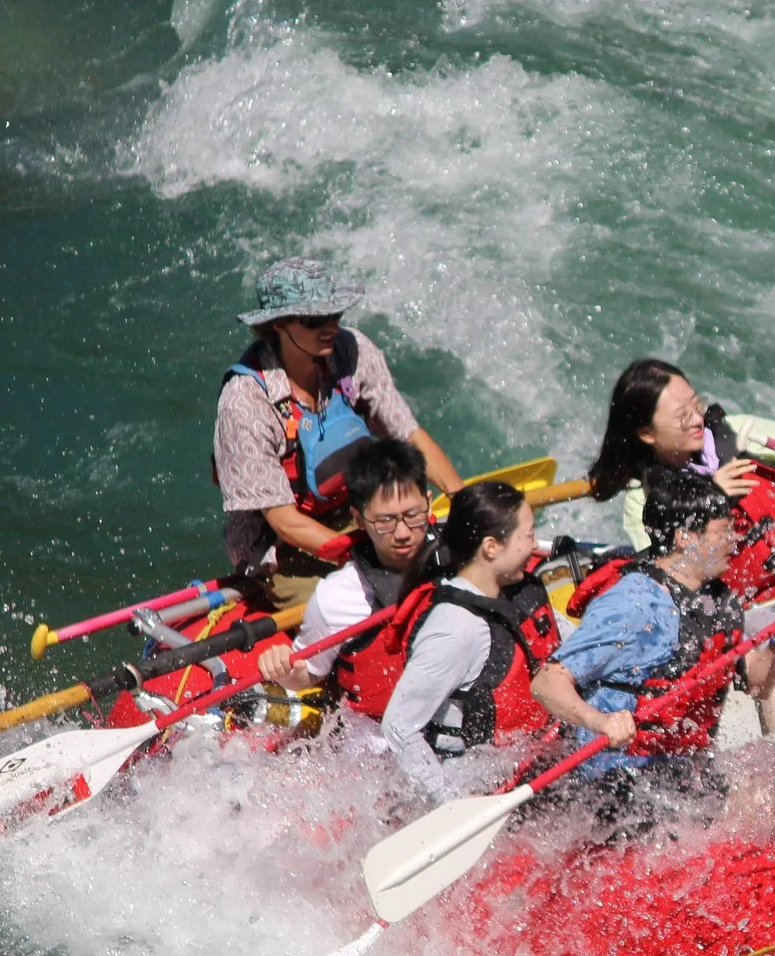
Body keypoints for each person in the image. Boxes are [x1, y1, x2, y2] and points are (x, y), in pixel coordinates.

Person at [257, 445, 560, 782]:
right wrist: (283, 670)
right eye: (385, 521)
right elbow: (309, 673)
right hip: (387, 751)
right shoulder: (338, 597)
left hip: (476, 735)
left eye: (412, 515)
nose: (402, 532)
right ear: (358, 519)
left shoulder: (471, 557)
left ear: (429, 503)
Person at [212, 256, 462, 606]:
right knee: (351, 607)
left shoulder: (351, 350)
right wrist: (366, 558)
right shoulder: (244, 402)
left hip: (359, 514)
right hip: (284, 547)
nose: (330, 326)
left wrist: (463, 499)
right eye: (315, 320)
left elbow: (406, 434)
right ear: (278, 326)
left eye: (335, 315)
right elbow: (283, 520)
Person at [530, 471, 773, 806]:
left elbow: (758, 684)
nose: (735, 540)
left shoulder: (717, 600)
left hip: (679, 775)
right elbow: (546, 681)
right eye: (724, 531)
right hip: (611, 784)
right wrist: (599, 721)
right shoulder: (636, 604)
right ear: (685, 538)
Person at [584, 358, 775, 612]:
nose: (698, 419)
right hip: (756, 610)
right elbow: (670, 574)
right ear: (647, 433)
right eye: (683, 417)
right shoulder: (644, 500)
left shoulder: (737, 432)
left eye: (696, 404)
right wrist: (710, 498)